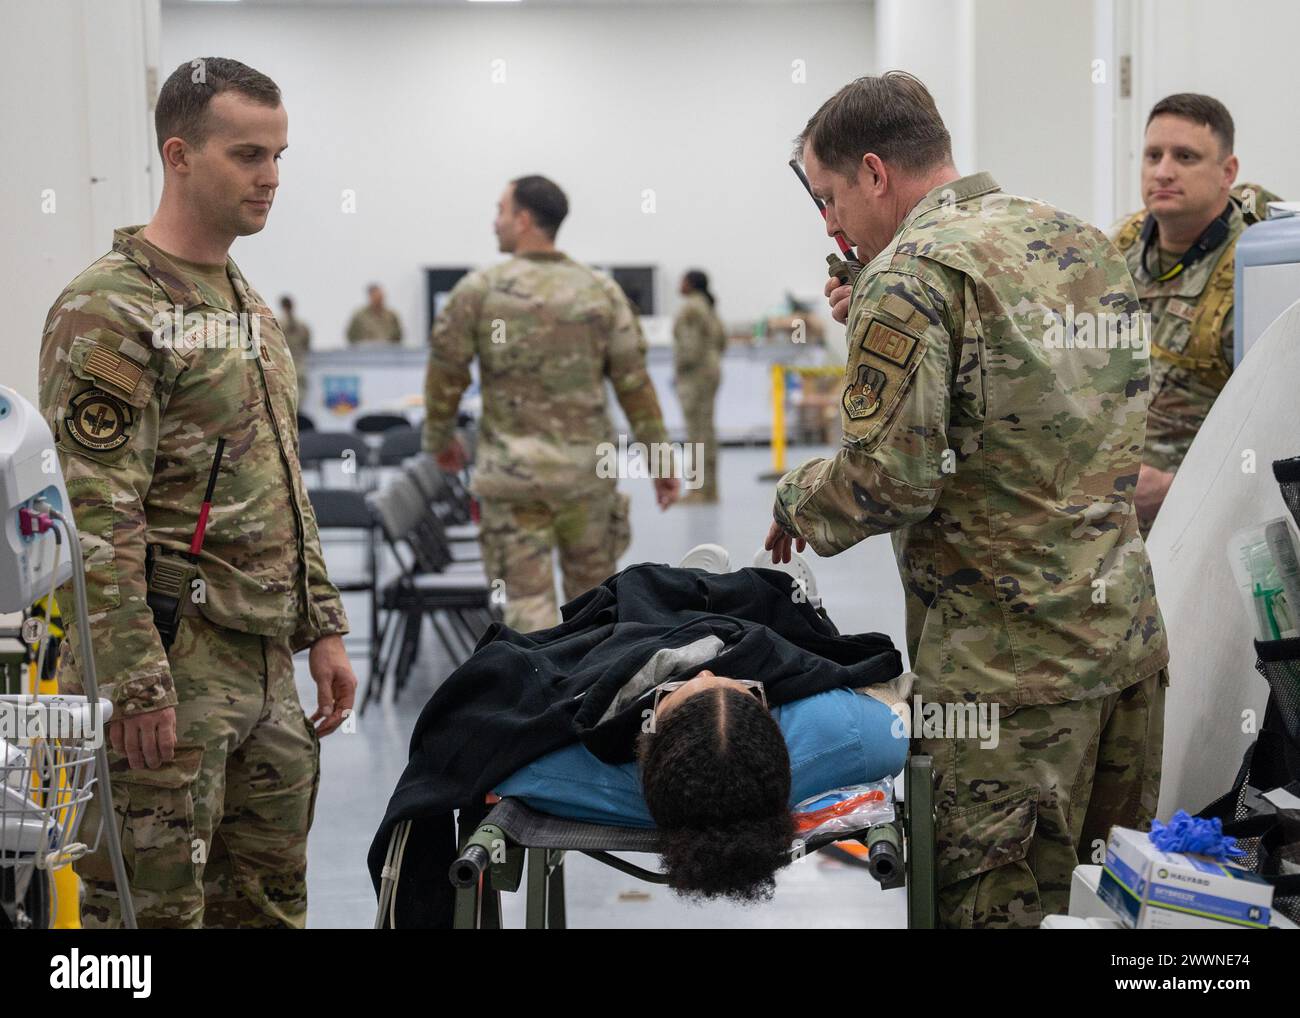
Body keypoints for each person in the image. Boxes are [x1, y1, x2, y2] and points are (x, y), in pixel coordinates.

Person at [764, 71, 1169, 929]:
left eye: (831, 197)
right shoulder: (1083, 241)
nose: (831, 225)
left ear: (876, 172)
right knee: (1116, 916)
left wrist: (796, 496)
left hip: (1005, 685)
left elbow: (890, 479)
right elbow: (1066, 411)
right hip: (1124, 652)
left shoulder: (909, 276)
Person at [38, 57, 357, 929]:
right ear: (179, 155)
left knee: (266, 904)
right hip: (172, 666)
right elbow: (97, 516)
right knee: (143, 918)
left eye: (281, 155)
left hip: (264, 669)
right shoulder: (111, 309)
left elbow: (282, 481)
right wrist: (137, 683)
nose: (272, 179)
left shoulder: (246, 304)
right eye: (249, 155)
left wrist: (321, 624)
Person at [368, 561, 905, 927]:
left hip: (638, 641)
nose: (708, 671)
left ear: (647, 736)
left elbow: (471, 744)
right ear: (775, 725)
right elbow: (891, 710)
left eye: (680, 691)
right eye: (739, 687)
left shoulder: (549, 770)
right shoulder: (850, 738)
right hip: (706, 631)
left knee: (646, 589)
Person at [422, 174, 678, 632]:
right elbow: (635, 386)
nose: (494, 222)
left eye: (500, 211)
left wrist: (439, 439)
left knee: (525, 605)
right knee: (596, 608)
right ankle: (592, 698)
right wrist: (659, 461)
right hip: (586, 478)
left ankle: (539, 695)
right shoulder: (600, 292)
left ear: (523, 220)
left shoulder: (479, 292)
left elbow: (445, 373)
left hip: (512, 480)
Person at [1109, 94, 1279, 529]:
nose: (1163, 171)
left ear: (1228, 172)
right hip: (1119, 514)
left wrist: (1175, 489)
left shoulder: (1257, 271)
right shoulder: (1120, 246)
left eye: (1185, 157)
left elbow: (1277, 433)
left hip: (1215, 520)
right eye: (1153, 156)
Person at [672, 269, 727, 504]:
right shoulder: (708, 307)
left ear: (690, 284)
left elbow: (689, 348)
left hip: (695, 375)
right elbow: (722, 340)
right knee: (707, 432)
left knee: (697, 434)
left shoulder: (690, 308)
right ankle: (710, 489)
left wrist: (681, 370)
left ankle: (698, 491)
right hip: (711, 371)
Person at [278, 294, 311, 393]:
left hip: (288, 362)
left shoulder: (277, 324)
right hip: (291, 362)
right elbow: (307, 344)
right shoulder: (302, 325)